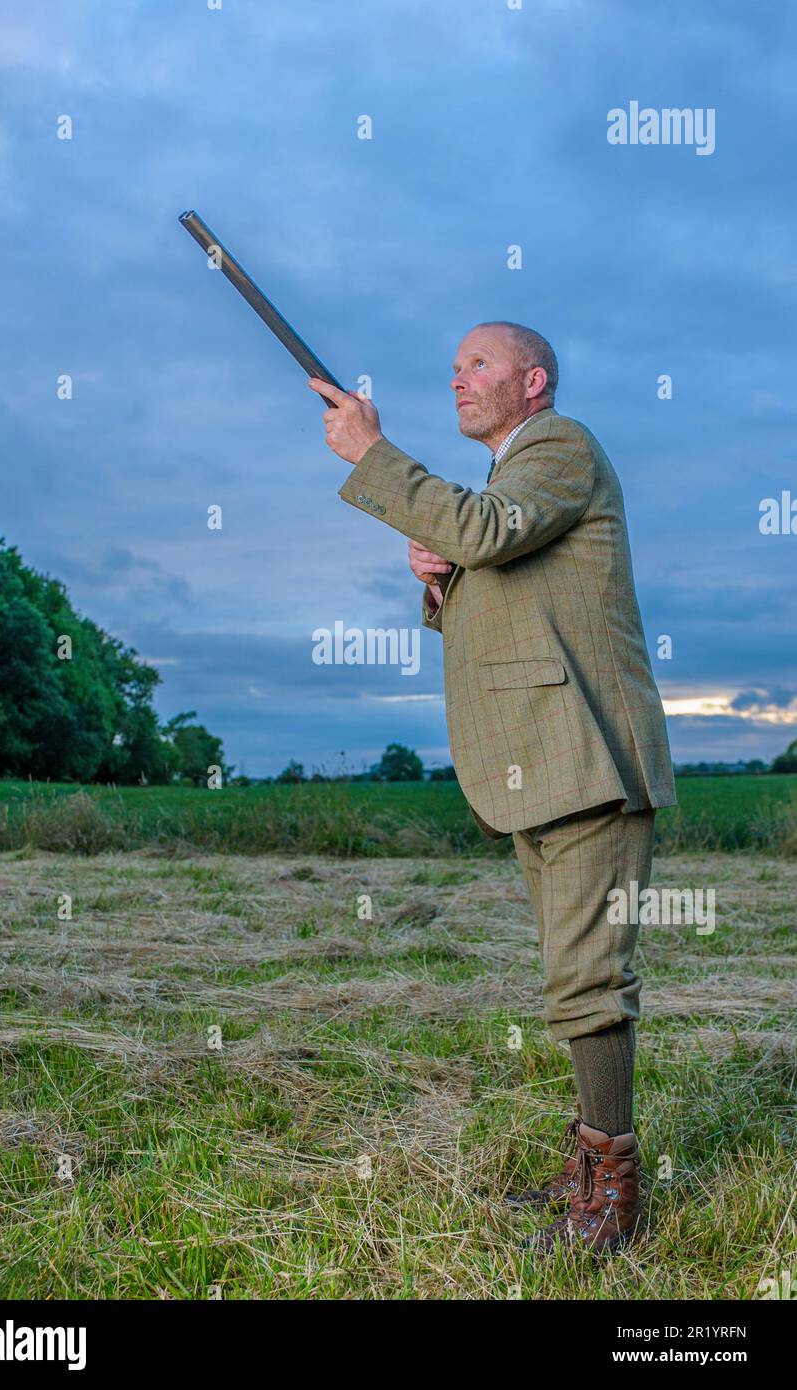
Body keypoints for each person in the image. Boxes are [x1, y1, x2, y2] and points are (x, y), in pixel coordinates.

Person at [308, 321, 676, 1254]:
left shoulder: (560, 445)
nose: (457, 377)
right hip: (541, 764)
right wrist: (437, 580)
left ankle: (613, 1199)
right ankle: (588, 1171)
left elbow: (490, 531)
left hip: (587, 758)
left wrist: (377, 458)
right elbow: (494, 566)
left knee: (588, 982)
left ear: (535, 381)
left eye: (480, 364)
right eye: (456, 364)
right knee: (570, 979)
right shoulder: (510, 479)